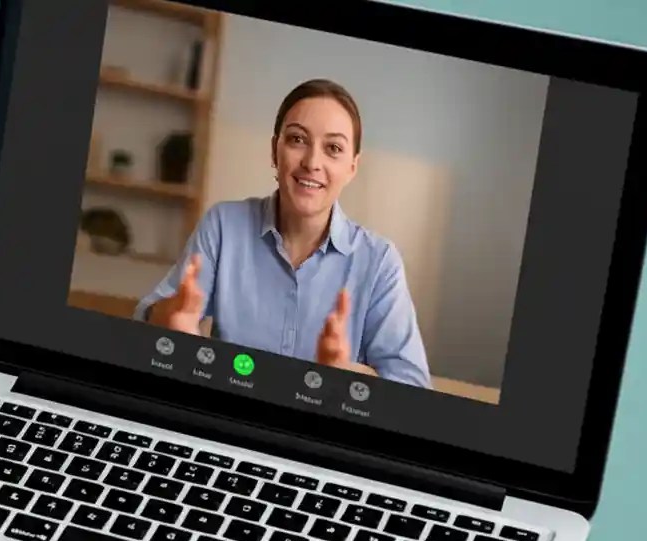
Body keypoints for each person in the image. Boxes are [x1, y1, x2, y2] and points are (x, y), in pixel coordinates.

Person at [134, 78, 432, 388]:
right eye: (297, 140)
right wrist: (172, 315)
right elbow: (147, 319)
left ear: (352, 167)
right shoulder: (223, 225)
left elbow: (412, 387)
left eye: (333, 148)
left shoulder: (380, 261)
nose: (312, 163)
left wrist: (344, 374)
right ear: (275, 152)